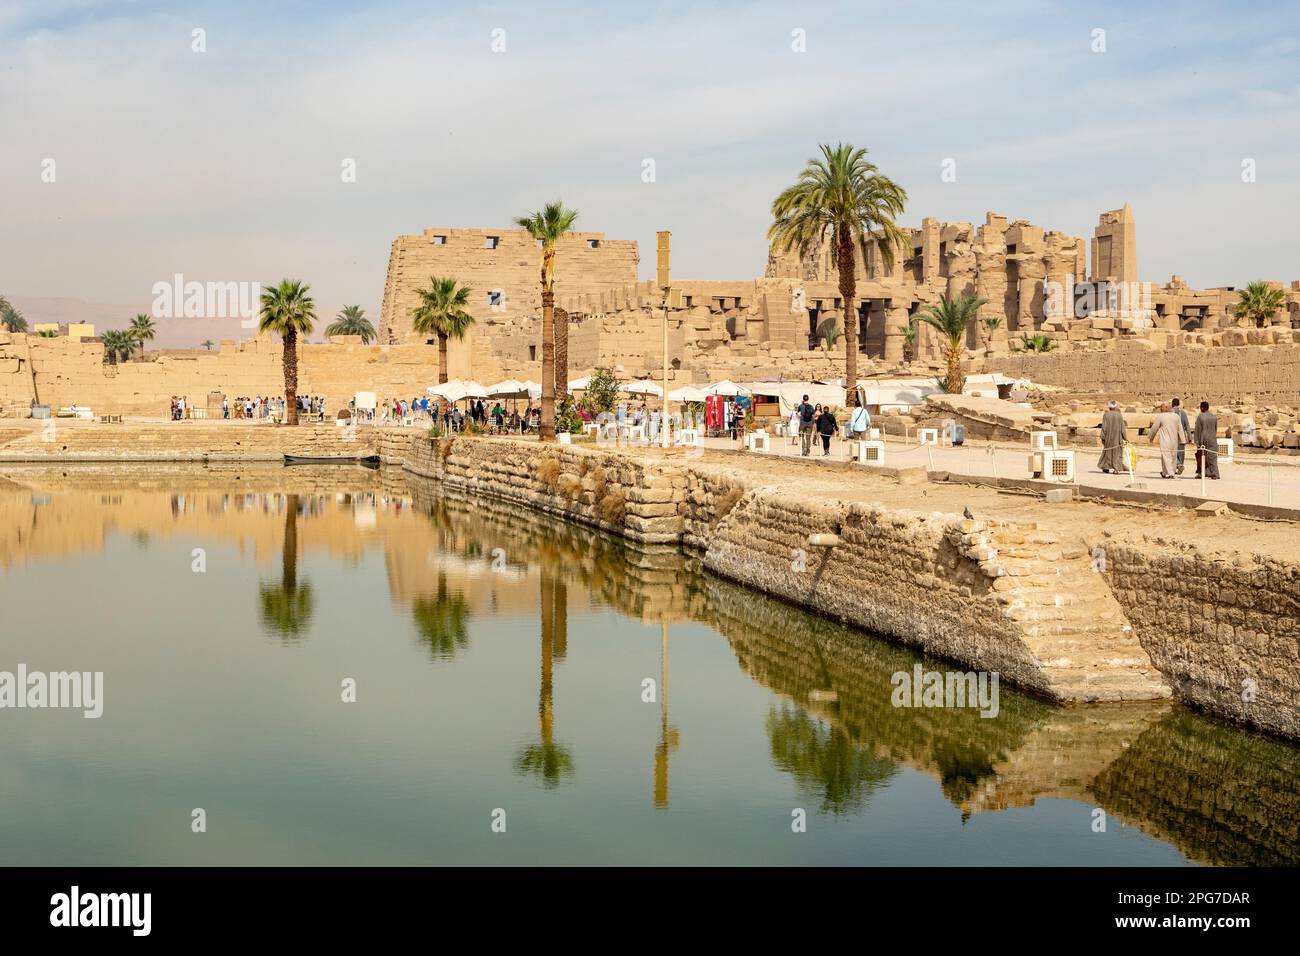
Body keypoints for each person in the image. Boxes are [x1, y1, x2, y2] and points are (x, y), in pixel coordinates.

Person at [1148, 402, 1188, 479]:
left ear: (1166, 407)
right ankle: (1165, 472)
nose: (1160, 408)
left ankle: (1170, 473)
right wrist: (1183, 440)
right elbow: (1180, 429)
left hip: (1165, 440)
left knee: (1166, 457)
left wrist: (1151, 437)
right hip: (1174, 440)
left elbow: (1154, 428)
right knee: (1172, 457)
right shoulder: (1176, 416)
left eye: (1162, 407)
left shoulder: (1161, 416)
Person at [1098, 399, 1127, 473]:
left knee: (1107, 452)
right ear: (1115, 406)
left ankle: (1106, 467)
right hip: (1117, 438)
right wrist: (1125, 438)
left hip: (1108, 438)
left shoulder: (1106, 415)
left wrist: (1103, 437)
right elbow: (1122, 428)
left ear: (1109, 407)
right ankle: (1116, 469)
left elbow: (1104, 427)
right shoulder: (1119, 415)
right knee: (1117, 453)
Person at [1194, 400, 1220, 479]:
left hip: (1203, 439)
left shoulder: (1200, 416)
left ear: (1202, 408)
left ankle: (1209, 473)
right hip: (1212, 439)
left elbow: (1197, 430)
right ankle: (1211, 473)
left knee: (1202, 457)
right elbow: (1215, 429)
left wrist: (1196, 441)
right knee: (1212, 457)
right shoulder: (1214, 417)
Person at [1171, 398, 1190, 475]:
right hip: (1182, 436)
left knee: (1173, 452)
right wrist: (1190, 437)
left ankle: (1178, 465)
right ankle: (1180, 464)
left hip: (1173, 435)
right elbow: (1187, 425)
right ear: (1179, 404)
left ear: (1172, 404)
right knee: (1181, 453)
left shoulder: (1171, 413)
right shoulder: (1183, 413)